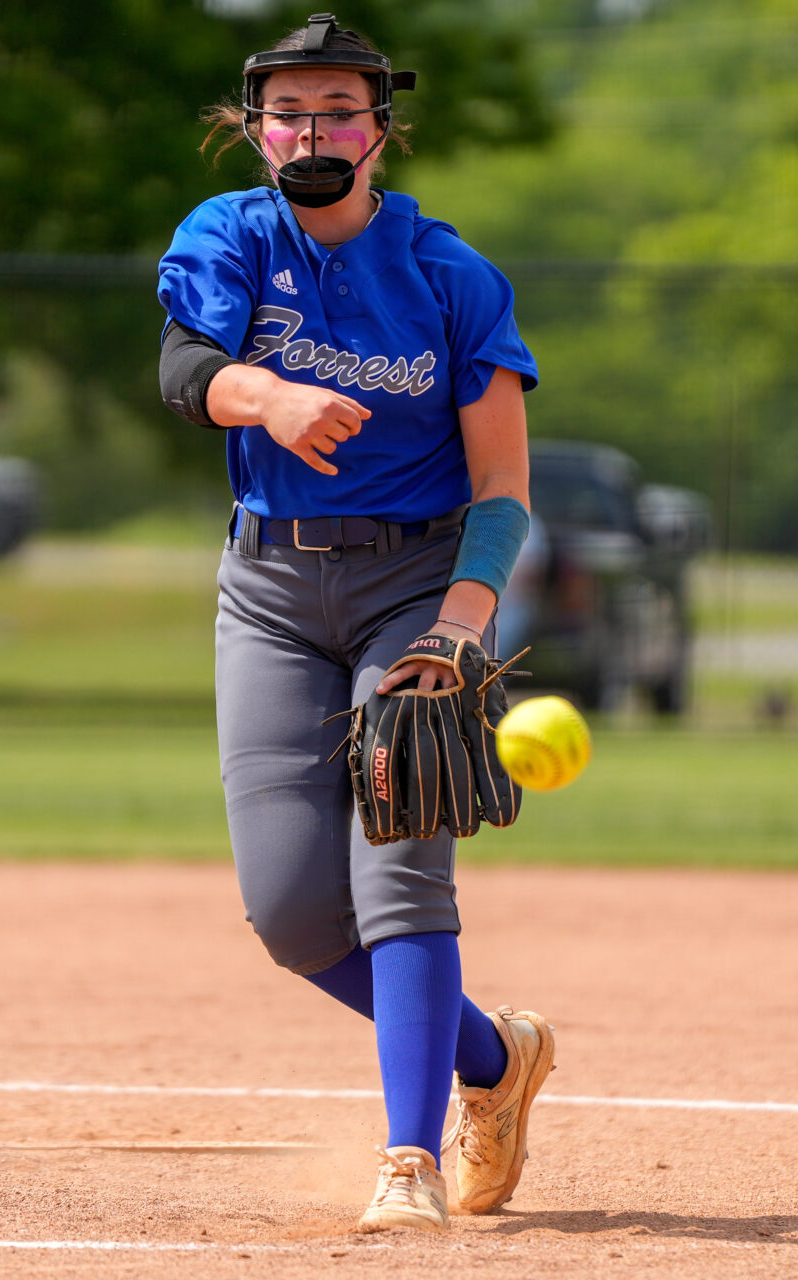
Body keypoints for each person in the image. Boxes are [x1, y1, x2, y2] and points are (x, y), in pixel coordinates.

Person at [156, 14, 554, 1234]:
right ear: (255, 126)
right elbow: (185, 369)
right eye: (289, 110)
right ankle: (495, 1056)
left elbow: (504, 494)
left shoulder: (450, 276)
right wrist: (266, 395)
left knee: (398, 878)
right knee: (289, 913)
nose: (312, 130)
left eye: (338, 107)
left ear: (382, 126)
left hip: (412, 592)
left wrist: (463, 622)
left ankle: (408, 1156)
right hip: (270, 594)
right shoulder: (229, 235)